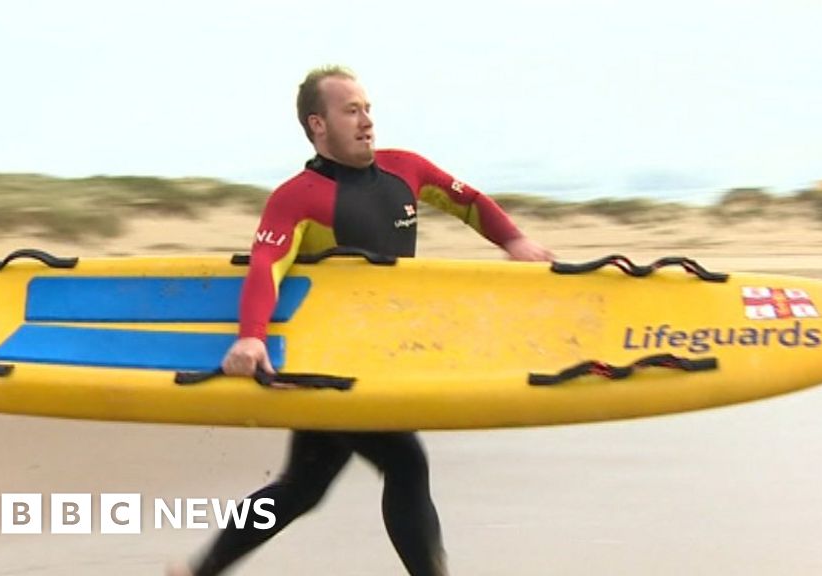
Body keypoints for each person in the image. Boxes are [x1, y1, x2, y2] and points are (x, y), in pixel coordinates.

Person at [168, 65, 552, 576]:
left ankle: (198, 571)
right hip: (328, 363)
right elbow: (267, 266)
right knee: (405, 462)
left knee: (303, 486)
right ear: (318, 125)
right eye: (351, 110)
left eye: (367, 108)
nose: (366, 120)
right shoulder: (296, 198)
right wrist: (251, 339)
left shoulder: (405, 170)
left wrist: (515, 242)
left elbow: (468, 201)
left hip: (383, 357)